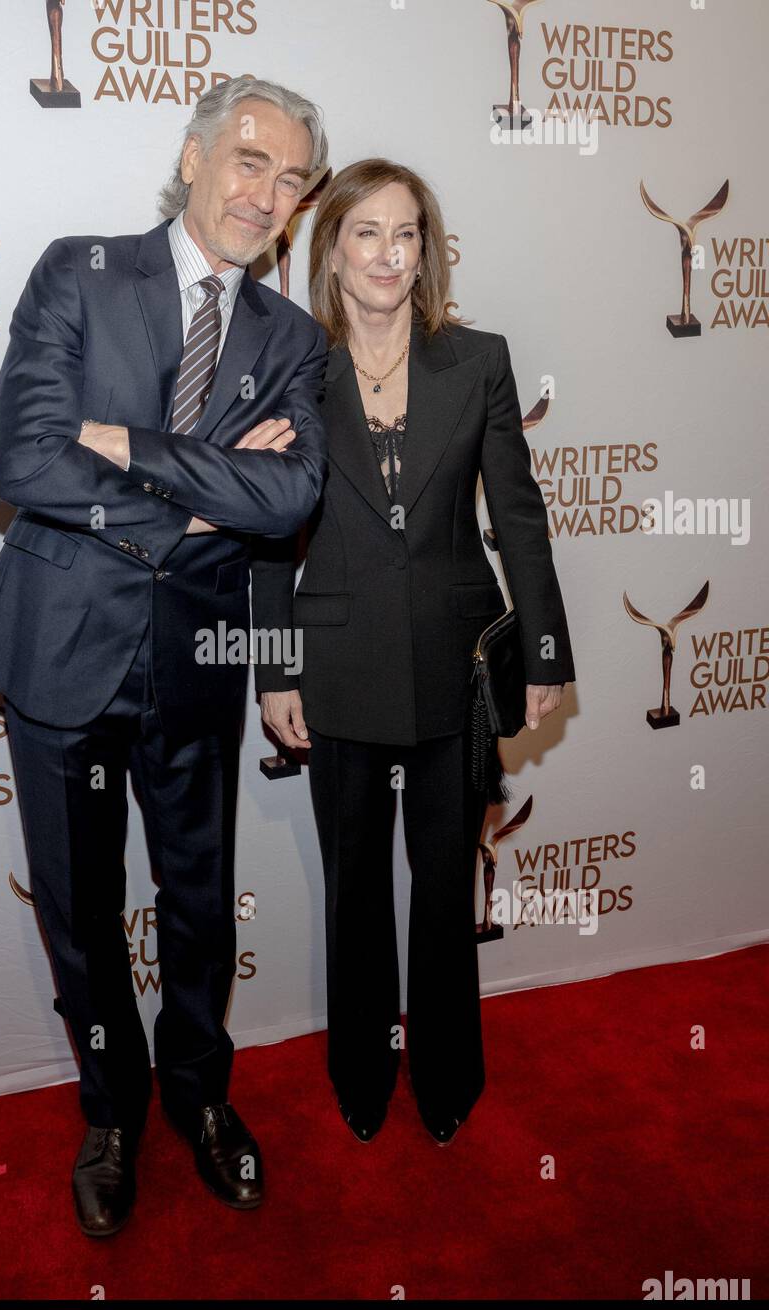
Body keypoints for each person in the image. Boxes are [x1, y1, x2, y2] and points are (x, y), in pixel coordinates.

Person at [0, 77, 329, 1235]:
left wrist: (124, 445)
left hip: (196, 660)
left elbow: (291, 494)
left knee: (200, 902)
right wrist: (200, 493)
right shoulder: (81, 270)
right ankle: (110, 1110)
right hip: (62, 652)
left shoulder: (293, 337)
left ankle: (201, 1096)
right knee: (80, 910)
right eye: (249, 161)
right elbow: (25, 460)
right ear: (194, 153)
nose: (264, 194)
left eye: (289, 179)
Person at [252, 159, 575, 1149]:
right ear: (331, 249)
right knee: (354, 892)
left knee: (442, 886)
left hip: (455, 667)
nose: (388, 253)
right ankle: (359, 1070)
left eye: (406, 234)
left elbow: (517, 517)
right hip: (336, 666)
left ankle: (445, 1073)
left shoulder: (474, 360)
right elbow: (266, 531)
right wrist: (274, 668)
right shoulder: (288, 366)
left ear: (423, 252)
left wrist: (549, 652)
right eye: (366, 233)